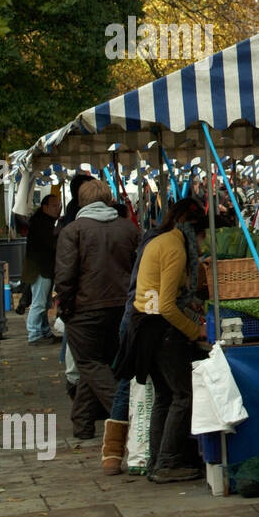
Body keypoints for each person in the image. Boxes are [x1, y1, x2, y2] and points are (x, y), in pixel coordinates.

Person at [128, 197, 211, 483]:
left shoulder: (162, 240)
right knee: (183, 396)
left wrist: (190, 306)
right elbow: (165, 305)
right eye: (201, 237)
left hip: (145, 327)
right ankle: (167, 462)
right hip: (159, 330)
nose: (201, 245)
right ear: (192, 229)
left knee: (165, 395)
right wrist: (194, 330)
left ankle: (157, 461)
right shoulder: (175, 248)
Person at [53, 181, 140, 440]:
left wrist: (64, 307)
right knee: (99, 364)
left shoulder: (73, 230)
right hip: (122, 306)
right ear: (108, 199)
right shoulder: (128, 228)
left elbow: (65, 275)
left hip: (85, 307)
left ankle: (128, 416)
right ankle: (82, 424)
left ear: (81, 201)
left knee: (91, 365)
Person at [24, 194, 62, 345]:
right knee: (39, 303)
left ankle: (44, 331)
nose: (57, 209)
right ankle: (34, 334)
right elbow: (50, 243)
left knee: (44, 302)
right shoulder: (42, 223)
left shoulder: (42, 221)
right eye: (54, 206)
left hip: (43, 267)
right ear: (44, 207)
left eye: (58, 206)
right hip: (40, 267)